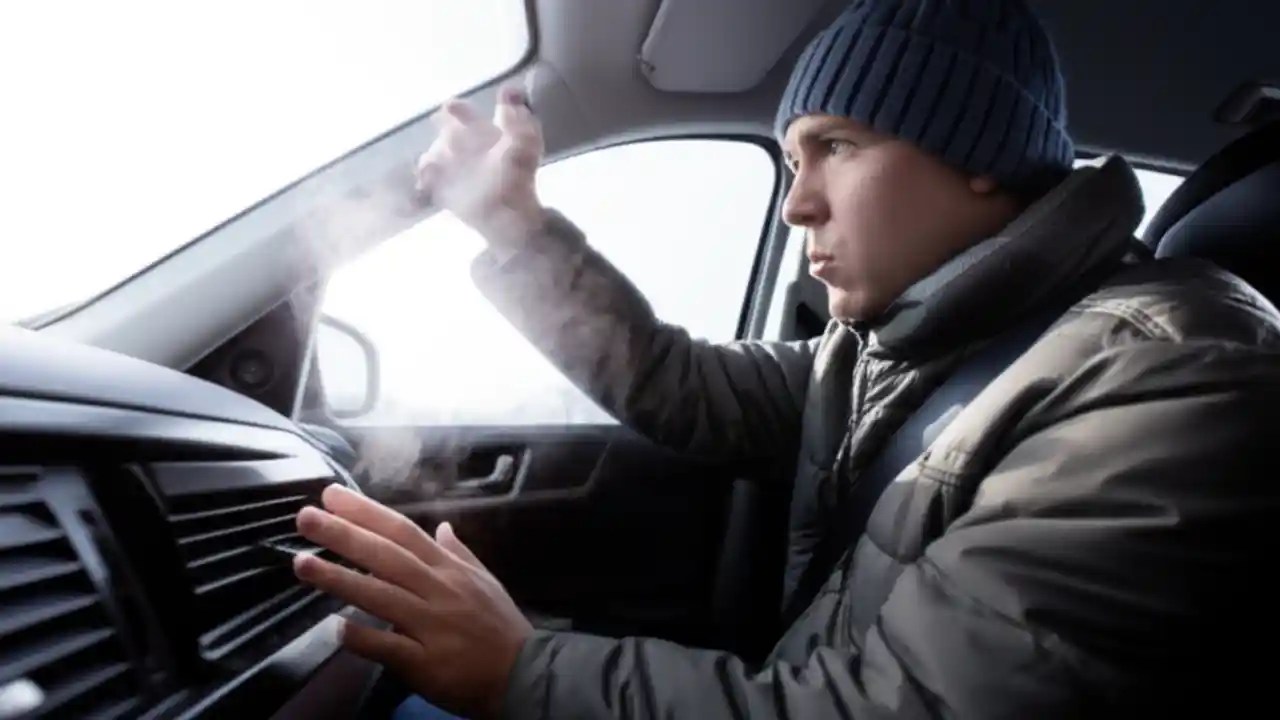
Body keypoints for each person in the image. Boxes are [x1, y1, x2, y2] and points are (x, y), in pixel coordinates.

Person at [293, 0, 1280, 717]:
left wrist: (519, 669)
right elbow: (678, 384)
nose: (794, 201)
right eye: (790, 159)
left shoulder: (1169, 376)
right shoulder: (894, 347)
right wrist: (515, 230)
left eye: (834, 147)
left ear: (977, 152)